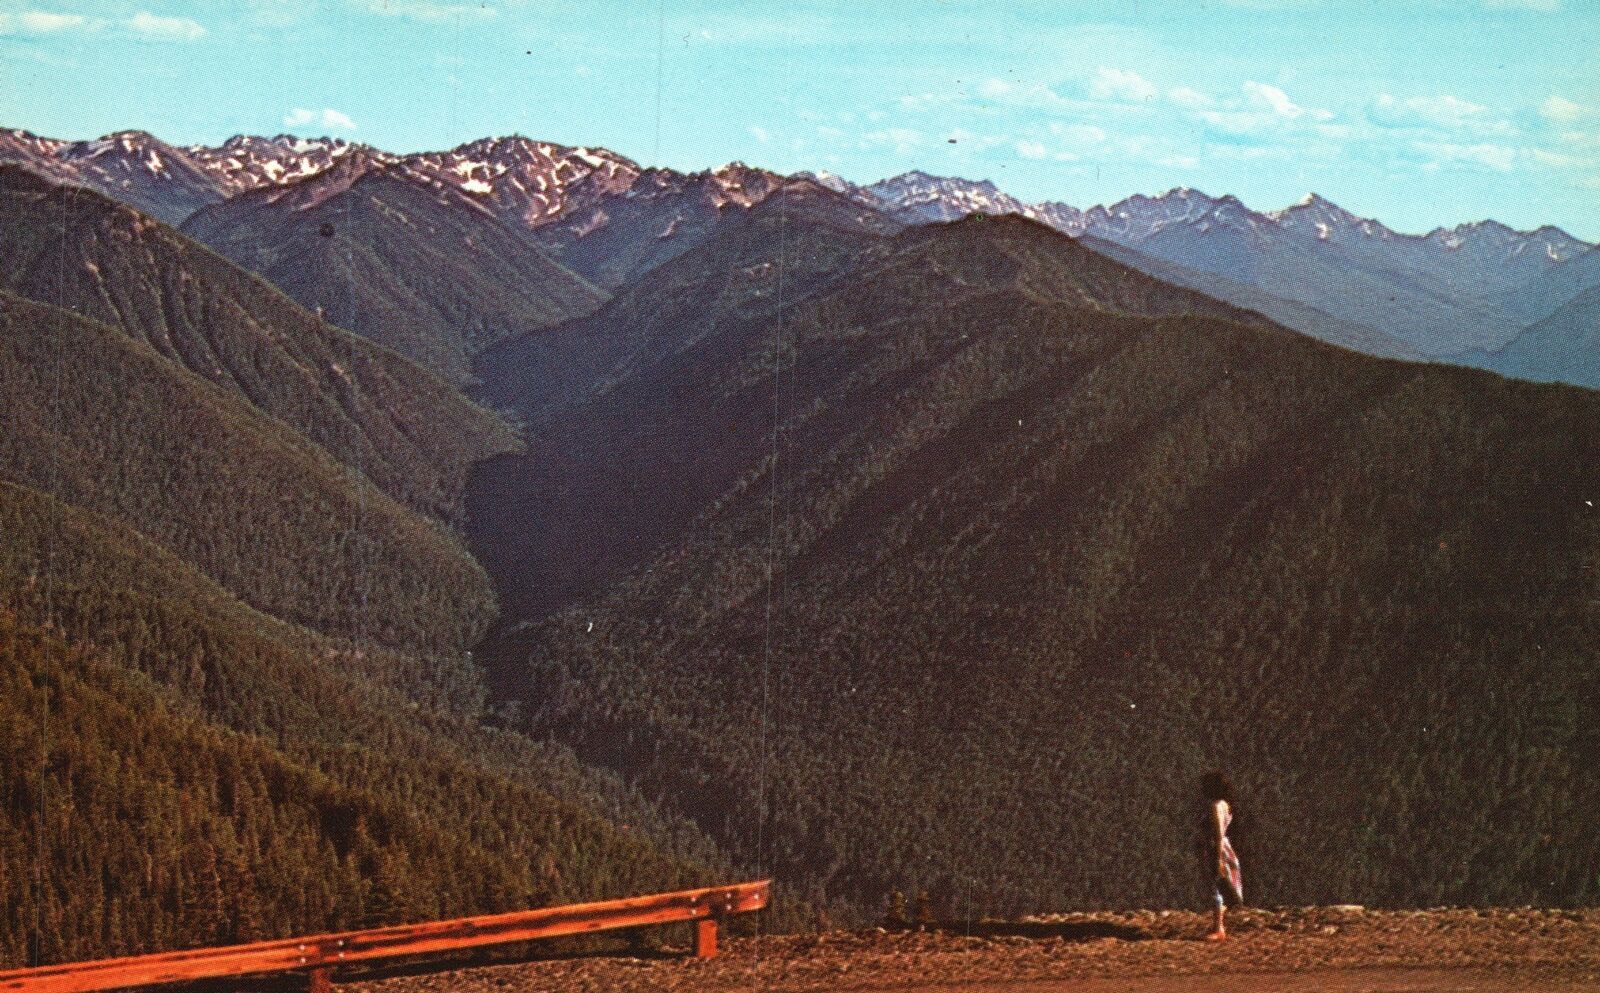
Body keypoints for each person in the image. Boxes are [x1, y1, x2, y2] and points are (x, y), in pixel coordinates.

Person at [1202, 771, 1243, 941]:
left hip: (1217, 848)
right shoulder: (1225, 804)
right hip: (1222, 846)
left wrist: (1218, 857)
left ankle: (1219, 928)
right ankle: (1218, 925)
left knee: (1216, 886)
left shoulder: (1215, 806)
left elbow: (1218, 833)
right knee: (1219, 886)